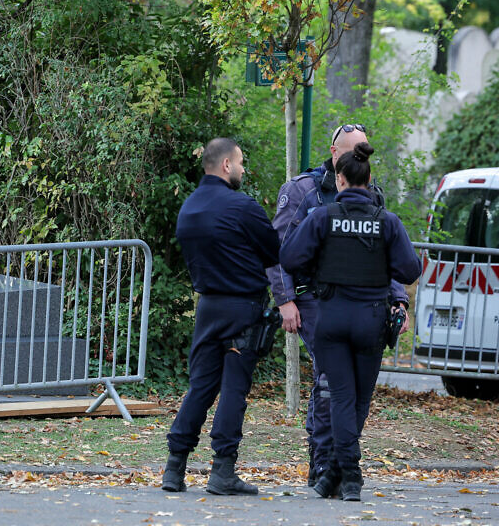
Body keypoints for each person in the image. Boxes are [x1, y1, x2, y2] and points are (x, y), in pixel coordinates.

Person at [265, 124, 411, 486]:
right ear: (335, 154)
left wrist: (398, 300)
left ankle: (337, 467)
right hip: (316, 300)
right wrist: (285, 300)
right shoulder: (303, 190)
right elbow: (278, 251)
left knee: (354, 391)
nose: (361, 156)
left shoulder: (372, 194)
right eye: (354, 151)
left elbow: (387, 258)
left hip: (365, 306)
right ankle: (325, 466)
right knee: (332, 386)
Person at [161, 138, 279, 495]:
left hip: (208, 306)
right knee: (233, 389)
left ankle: (173, 468)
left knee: (200, 387)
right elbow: (274, 251)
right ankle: (222, 471)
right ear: (226, 165)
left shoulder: (189, 209)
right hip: (243, 307)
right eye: (241, 162)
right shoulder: (242, 206)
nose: (243, 169)